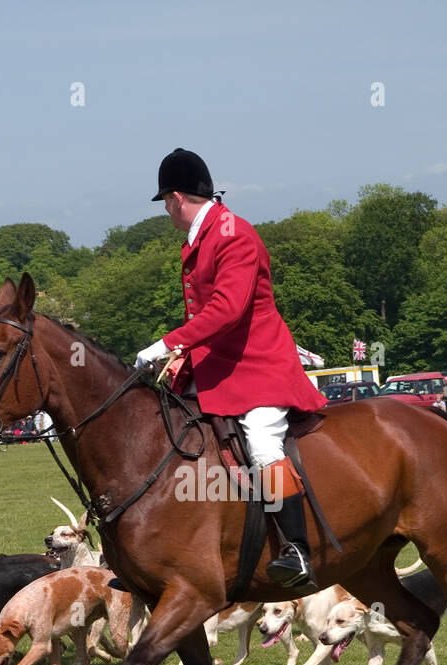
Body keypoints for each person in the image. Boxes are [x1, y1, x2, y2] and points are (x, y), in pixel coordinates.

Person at [132, 148, 326, 588]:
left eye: (165, 202)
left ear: (177, 197)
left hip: (258, 364)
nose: (166, 211)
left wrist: (167, 344)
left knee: (260, 446)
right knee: (165, 429)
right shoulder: (203, 235)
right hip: (218, 362)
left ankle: (297, 550)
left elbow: (227, 309)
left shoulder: (233, 233)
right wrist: (184, 352)